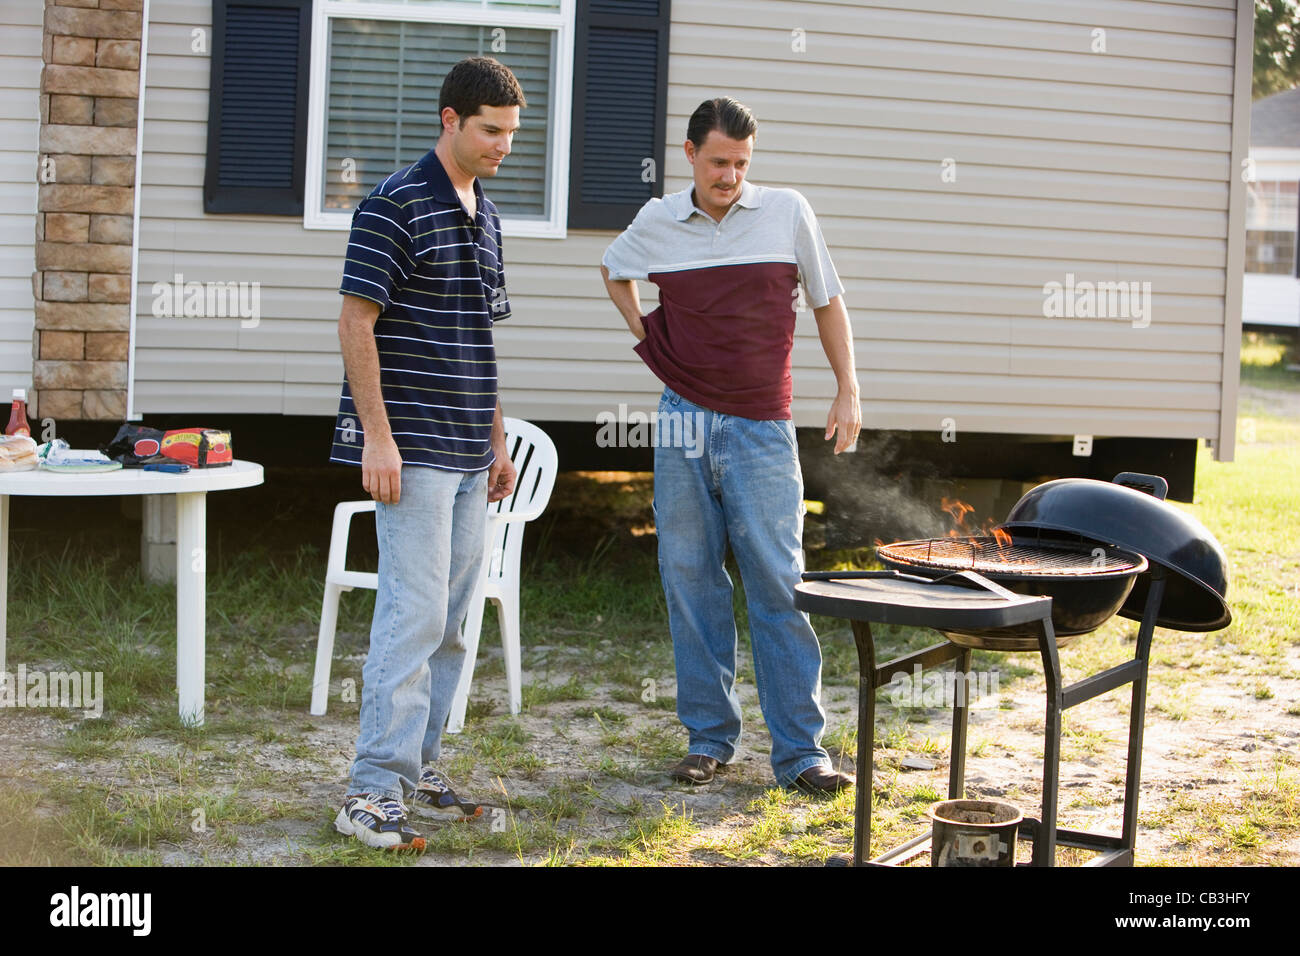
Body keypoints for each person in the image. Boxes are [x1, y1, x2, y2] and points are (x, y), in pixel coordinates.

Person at [600, 97, 861, 794]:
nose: (730, 176)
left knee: (779, 581)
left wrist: (848, 388)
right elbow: (613, 267)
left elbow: (827, 299)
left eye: (742, 163)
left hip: (762, 425)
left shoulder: (787, 212)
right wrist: (646, 338)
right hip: (682, 417)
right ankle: (709, 739)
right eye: (718, 162)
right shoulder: (659, 220)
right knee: (689, 577)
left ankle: (801, 754)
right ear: (690, 155)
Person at [329, 57, 523, 850]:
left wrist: (498, 438)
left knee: (450, 623)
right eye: (490, 131)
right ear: (449, 120)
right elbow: (354, 321)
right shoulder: (394, 203)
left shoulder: (490, 214)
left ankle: (422, 763)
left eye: (512, 134)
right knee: (409, 618)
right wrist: (377, 436)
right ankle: (371, 792)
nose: (503, 147)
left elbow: (480, 335)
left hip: (470, 451)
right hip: (410, 449)